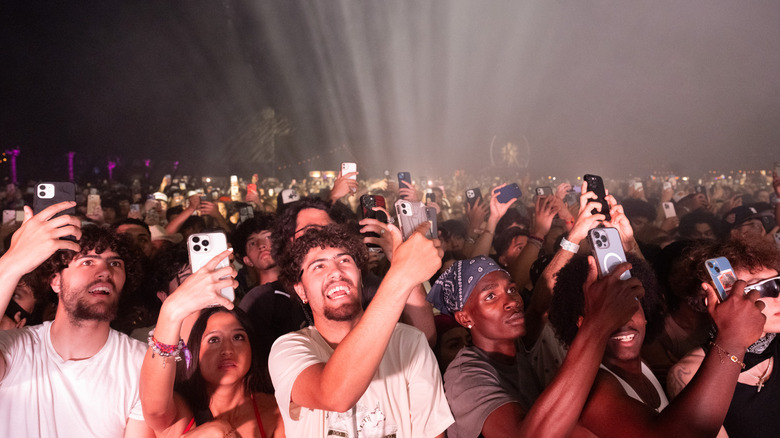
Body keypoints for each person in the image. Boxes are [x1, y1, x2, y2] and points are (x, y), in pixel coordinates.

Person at [546, 240, 765, 437]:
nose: (624, 319)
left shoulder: (641, 367)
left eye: (633, 302)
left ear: (646, 313)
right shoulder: (594, 387)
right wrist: (732, 339)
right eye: (611, 308)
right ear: (582, 322)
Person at [268, 224, 453, 437]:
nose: (336, 272)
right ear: (301, 290)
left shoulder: (409, 342)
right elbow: (335, 396)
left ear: (360, 277)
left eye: (345, 260)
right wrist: (401, 276)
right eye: (319, 267)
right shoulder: (288, 349)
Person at [428, 255, 642, 438]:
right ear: (465, 318)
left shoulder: (516, 357)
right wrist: (597, 325)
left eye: (511, 289)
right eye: (491, 296)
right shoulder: (464, 375)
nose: (512, 301)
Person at [0, 201, 153, 437]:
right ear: (56, 281)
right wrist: (12, 263)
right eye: (87, 262)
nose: (105, 271)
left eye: (115, 263)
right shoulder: (15, 347)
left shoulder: (141, 362)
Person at [139, 251, 284, 437]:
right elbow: (155, 409)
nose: (227, 350)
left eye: (238, 337)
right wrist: (172, 311)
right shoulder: (179, 413)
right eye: (214, 340)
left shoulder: (276, 410)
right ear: (194, 351)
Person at [667, 238, 780, 438]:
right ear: (717, 301)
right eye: (763, 288)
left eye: (778, 284)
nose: (778, 296)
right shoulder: (689, 373)